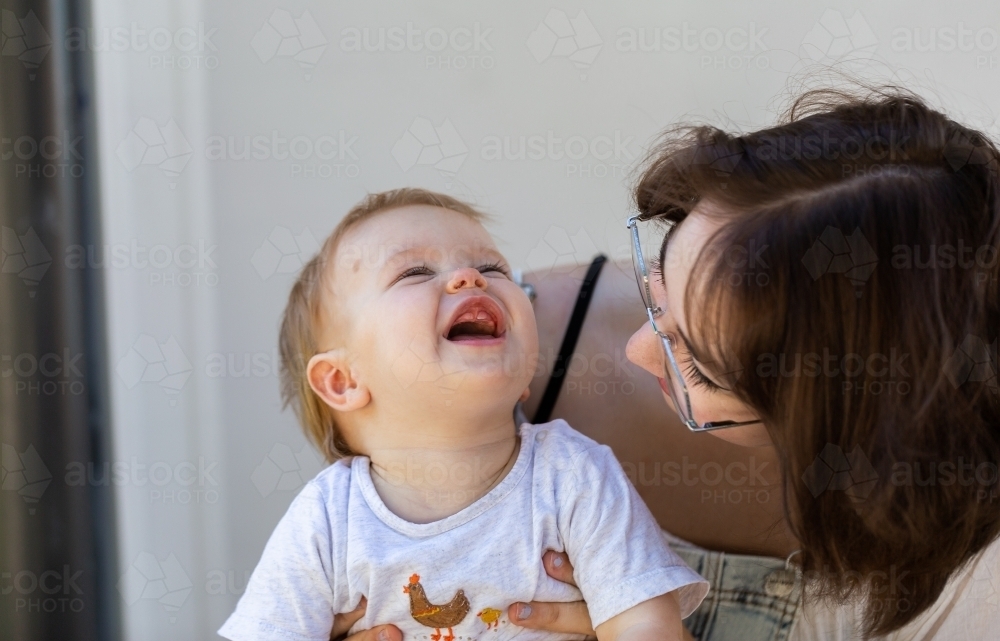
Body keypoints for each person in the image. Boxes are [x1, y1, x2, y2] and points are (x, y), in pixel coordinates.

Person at [502, 86, 1000, 640]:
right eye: (659, 282)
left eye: (701, 370)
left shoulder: (975, 593)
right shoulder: (511, 347)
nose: (636, 349)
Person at [218, 188, 709, 641]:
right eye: (413, 272)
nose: (470, 277)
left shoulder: (574, 476)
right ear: (343, 381)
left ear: (523, 378)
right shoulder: (326, 523)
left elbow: (648, 627)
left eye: (493, 268)